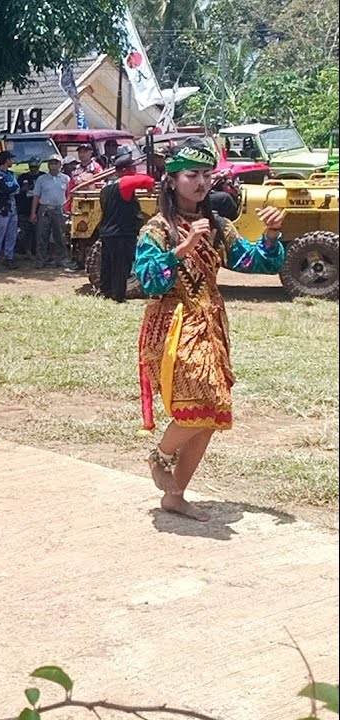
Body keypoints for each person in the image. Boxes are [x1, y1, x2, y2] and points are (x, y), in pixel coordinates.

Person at [135, 138, 286, 521]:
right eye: (192, 175)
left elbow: (257, 263)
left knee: (211, 413)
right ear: (171, 180)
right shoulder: (156, 229)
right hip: (173, 326)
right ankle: (159, 457)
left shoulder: (219, 227)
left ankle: (176, 494)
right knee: (196, 406)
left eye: (206, 175)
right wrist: (179, 251)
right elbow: (148, 282)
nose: (201, 182)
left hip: (211, 325)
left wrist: (270, 236)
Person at [97, 154, 157, 302]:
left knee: (108, 264)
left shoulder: (106, 186)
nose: (135, 170)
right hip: (121, 231)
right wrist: (150, 187)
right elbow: (148, 180)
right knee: (121, 265)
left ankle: (105, 291)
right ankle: (118, 296)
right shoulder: (124, 182)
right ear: (124, 170)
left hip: (107, 230)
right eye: (132, 167)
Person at [30, 154, 74, 270]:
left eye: (56, 163)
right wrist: (33, 213)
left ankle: (61, 259)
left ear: (60, 165)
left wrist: (68, 210)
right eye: (51, 163)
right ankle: (40, 260)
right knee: (41, 235)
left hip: (60, 209)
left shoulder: (66, 179)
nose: (54, 166)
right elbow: (36, 196)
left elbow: (69, 195)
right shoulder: (42, 179)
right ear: (48, 165)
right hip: (45, 208)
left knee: (60, 236)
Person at [0, 151, 21, 270]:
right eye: (11, 159)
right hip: (1, 208)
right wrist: (10, 188)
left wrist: (11, 188)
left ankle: (9, 257)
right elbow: (6, 188)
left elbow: (17, 187)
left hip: (13, 207)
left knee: (12, 233)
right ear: (7, 160)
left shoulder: (11, 174)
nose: (12, 161)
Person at [15, 157, 42, 259]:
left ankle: (38, 252)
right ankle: (25, 251)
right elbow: (16, 193)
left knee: (39, 232)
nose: (33, 169)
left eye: (35, 166)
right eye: (31, 166)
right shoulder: (22, 177)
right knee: (25, 232)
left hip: (40, 209)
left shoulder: (43, 177)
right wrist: (23, 190)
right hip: (24, 208)